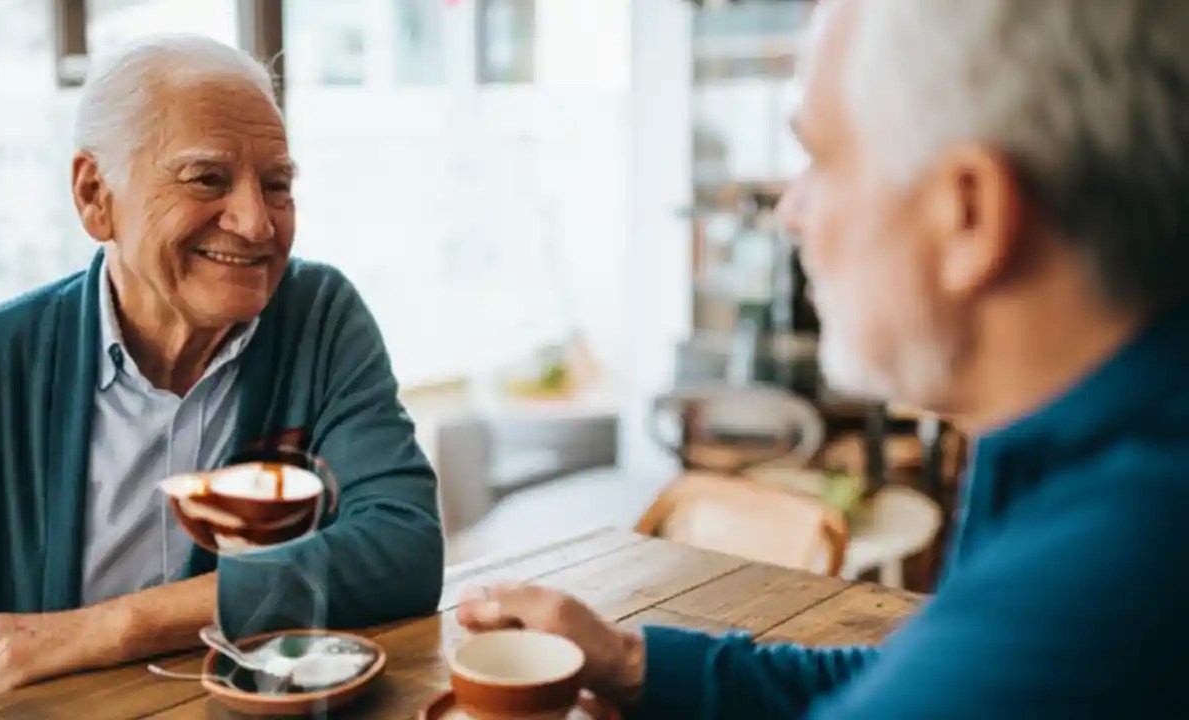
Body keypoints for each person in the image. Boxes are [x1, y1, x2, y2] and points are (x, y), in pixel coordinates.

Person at [459, 0, 1189, 717]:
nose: (790, 212)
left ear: (968, 214)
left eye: (819, 159)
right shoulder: (1084, 463)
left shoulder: (1102, 588)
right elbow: (903, 676)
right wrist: (629, 661)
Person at [0, 36, 443, 716]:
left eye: (277, 183)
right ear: (95, 195)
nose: (256, 223)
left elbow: (403, 546)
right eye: (205, 179)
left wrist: (112, 625)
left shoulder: (317, 317)